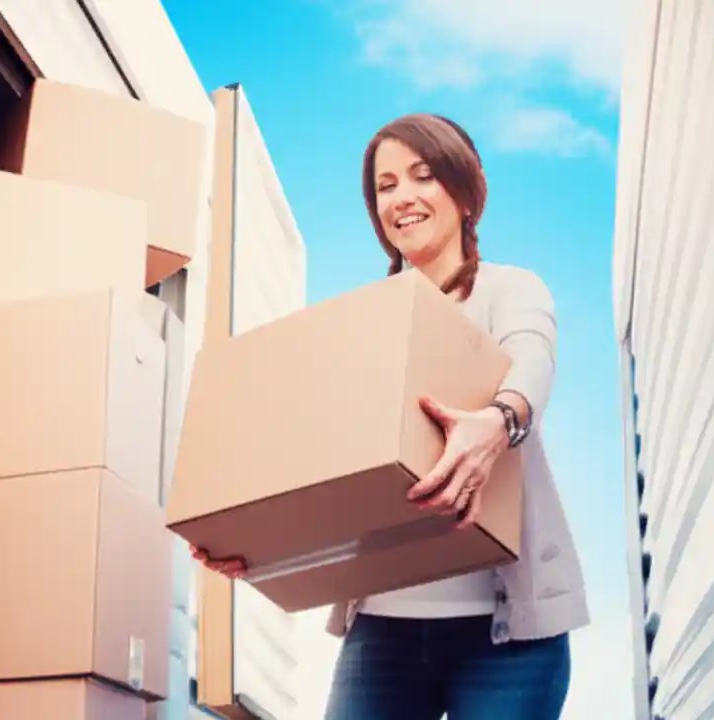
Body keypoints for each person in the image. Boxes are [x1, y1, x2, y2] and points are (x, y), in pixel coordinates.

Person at [191, 112, 589, 719]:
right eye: (385, 186)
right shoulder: (359, 325)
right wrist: (253, 538)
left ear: (464, 188)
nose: (402, 196)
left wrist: (499, 421)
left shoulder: (509, 290)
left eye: (422, 176)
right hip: (384, 635)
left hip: (507, 640)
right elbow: (316, 463)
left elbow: (532, 359)